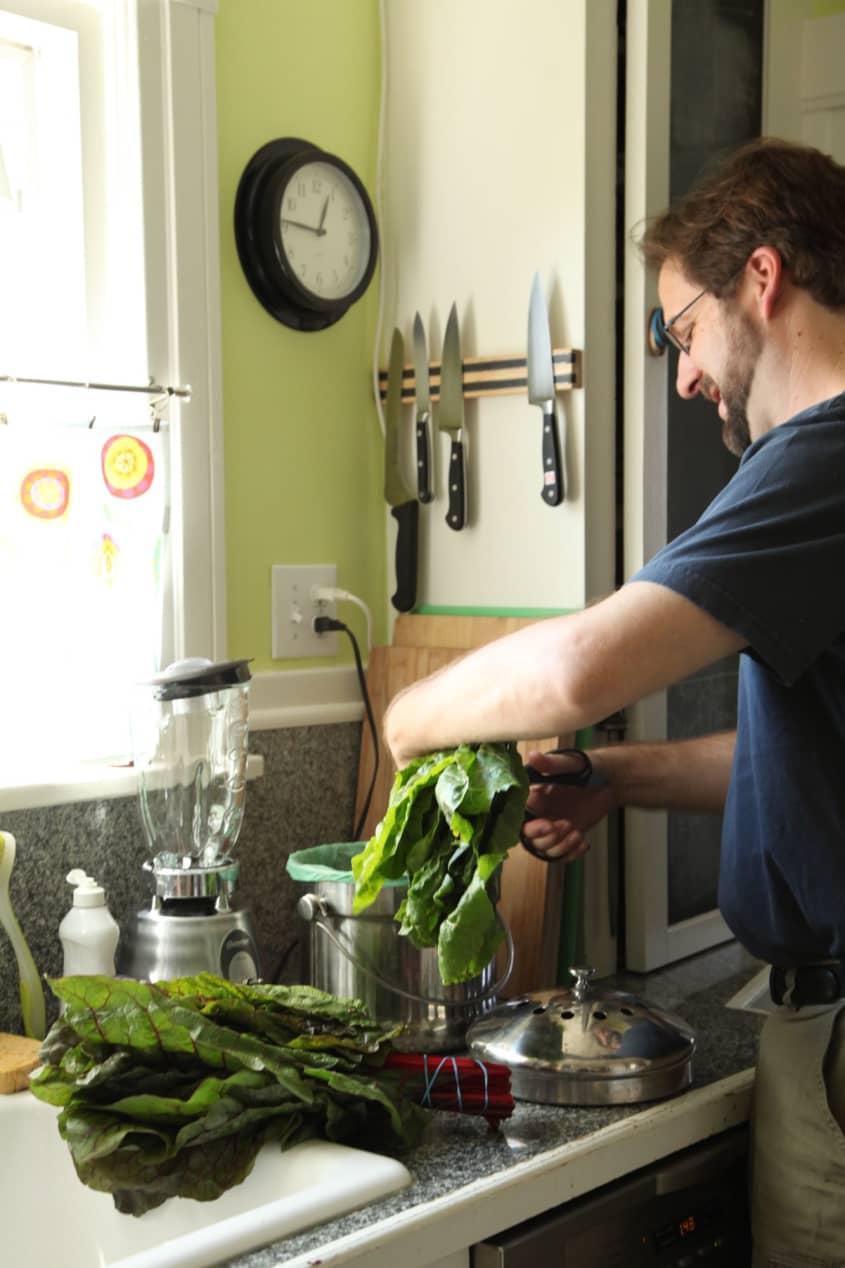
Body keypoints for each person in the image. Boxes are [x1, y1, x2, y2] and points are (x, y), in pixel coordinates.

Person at [383, 137, 845, 1267]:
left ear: (761, 277)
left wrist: (405, 719)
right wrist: (612, 780)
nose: (682, 375)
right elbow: (801, 759)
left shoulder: (820, 456)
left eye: (678, 330)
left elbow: (578, 668)